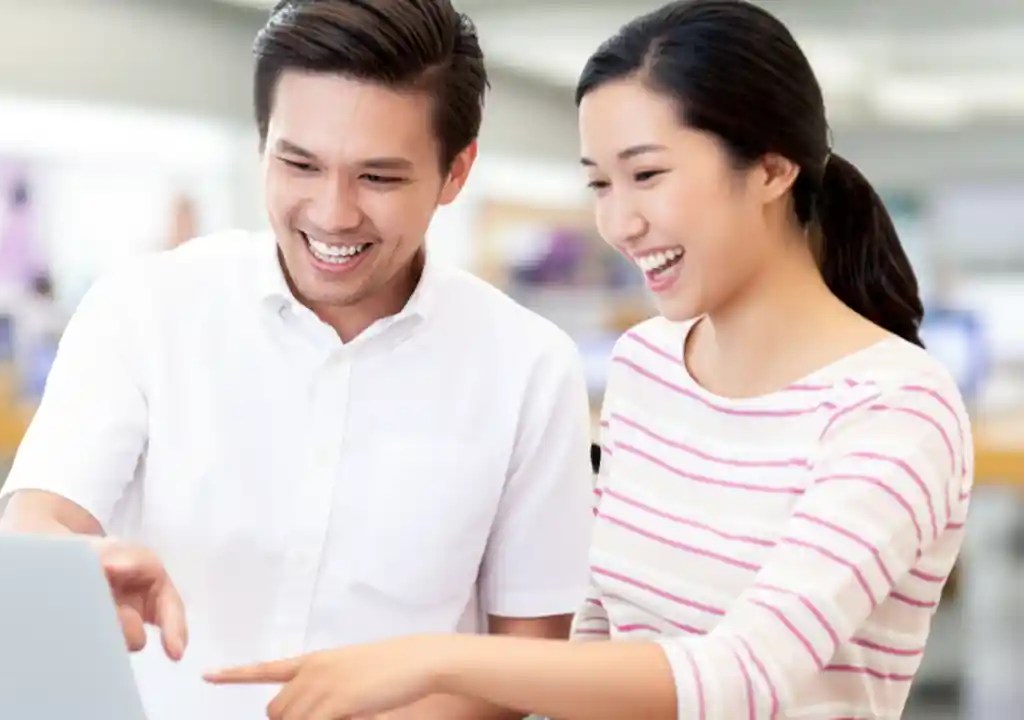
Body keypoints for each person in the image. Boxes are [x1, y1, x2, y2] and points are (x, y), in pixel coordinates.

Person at [206, 2, 974, 718]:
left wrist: (433, 662)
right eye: (599, 184)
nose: (620, 222)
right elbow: (599, 630)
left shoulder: (895, 406)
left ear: (772, 169)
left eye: (647, 176)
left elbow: (745, 677)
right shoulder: (647, 365)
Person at [0, 1, 592, 718]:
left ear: (455, 171)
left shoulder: (529, 367)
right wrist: (67, 566)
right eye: (300, 164)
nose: (333, 213)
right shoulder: (144, 306)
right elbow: (39, 515)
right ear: (261, 144)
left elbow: (526, 658)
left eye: (379, 178)